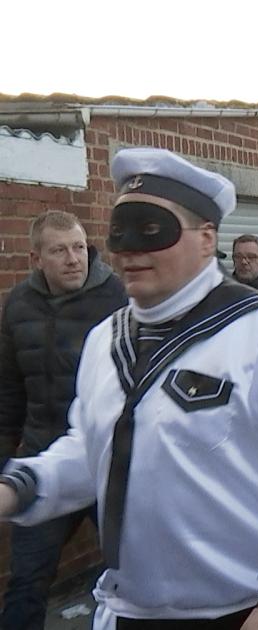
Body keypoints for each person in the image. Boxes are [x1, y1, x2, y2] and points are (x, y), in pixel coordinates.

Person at [0, 148, 258, 629]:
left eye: (151, 229)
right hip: (129, 612)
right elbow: (93, 449)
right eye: (119, 232)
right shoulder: (105, 341)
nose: (129, 249)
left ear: (206, 239)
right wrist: (19, 486)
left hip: (243, 611)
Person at [0, 211, 127, 630]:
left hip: (110, 459)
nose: (74, 259)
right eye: (59, 251)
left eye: (79, 247)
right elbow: (9, 391)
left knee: (134, 576)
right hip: (45, 458)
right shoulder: (19, 305)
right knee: (26, 580)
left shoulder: (120, 299)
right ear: (36, 258)